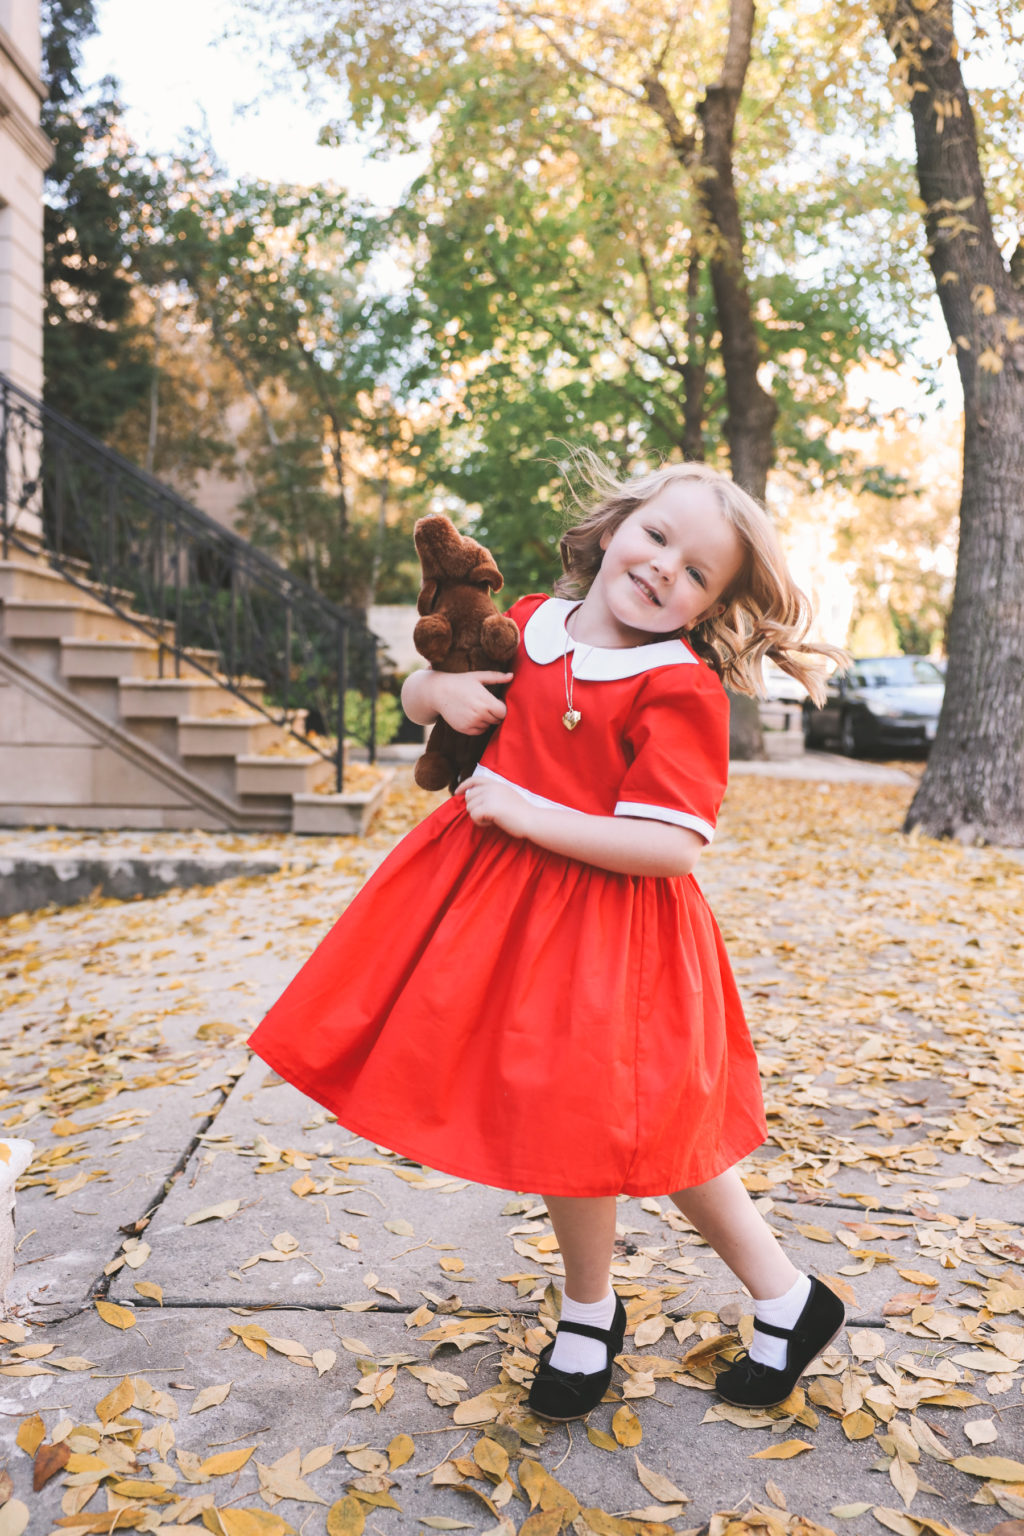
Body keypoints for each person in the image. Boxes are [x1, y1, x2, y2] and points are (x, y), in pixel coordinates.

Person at [248, 454, 848, 1422]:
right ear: (615, 528)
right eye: (656, 537)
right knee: (557, 1119)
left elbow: (669, 847)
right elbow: (427, 688)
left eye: (696, 572)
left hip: (615, 935)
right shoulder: (527, 624)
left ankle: (779, 1297)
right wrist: (429, 699)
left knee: (644, 1129)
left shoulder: (677, 687)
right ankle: (595, 1307)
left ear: (708, 605)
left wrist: (524, 811)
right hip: (497, 917)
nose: (663, 569)